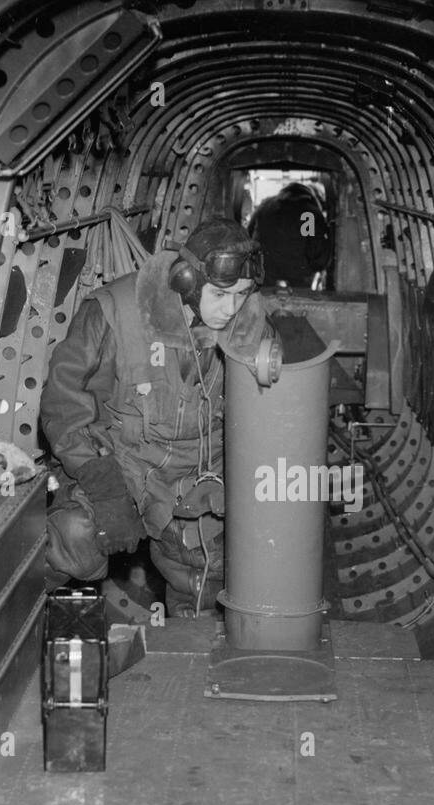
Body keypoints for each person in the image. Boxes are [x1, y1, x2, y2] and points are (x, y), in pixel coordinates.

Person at [40, 218, 279, 616]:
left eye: (242, 294)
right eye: (221, 294)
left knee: (220, 561)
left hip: (202, 467)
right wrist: (106, 488)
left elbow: (267, 417)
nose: (231, 308)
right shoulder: (115, 312)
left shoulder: (252, 325)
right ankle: (21, 624)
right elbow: (65, 407)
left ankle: (195, 640)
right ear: (187, 280)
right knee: (74, 536)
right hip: (124, 462)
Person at [247, 182, 331, 288]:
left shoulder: (265, 205)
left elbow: (248, 237)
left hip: (265, 275)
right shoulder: (308, 214)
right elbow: (316, 250)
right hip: (297, 279)